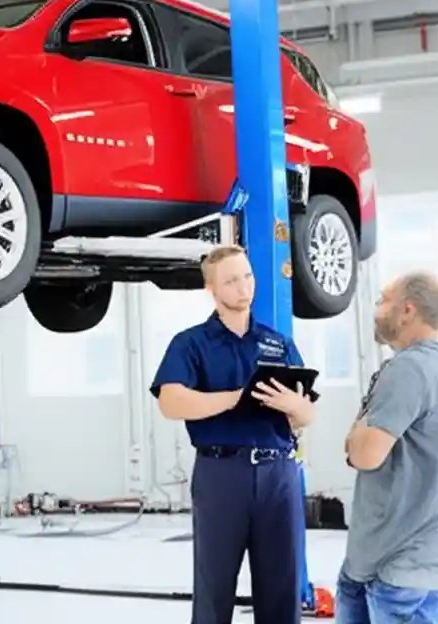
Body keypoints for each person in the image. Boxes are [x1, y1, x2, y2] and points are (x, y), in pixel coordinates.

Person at [151, 244, 318, 624]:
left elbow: (308, 414)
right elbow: (170, 401)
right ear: (211, 288)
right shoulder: (191, 343)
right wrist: (235, 398)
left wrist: (293, 405)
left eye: (248, 277)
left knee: (283, 586)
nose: (244, 288)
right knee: (214, 587)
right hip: (222, 474)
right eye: (231, 281)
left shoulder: (278, 343)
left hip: (279, 474)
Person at [337, 271, 438, 624]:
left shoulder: (407, 369)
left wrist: (358, 427)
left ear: (407, 310)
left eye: (383, 301)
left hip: (396, 570)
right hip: (436, 565)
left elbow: (363, 454)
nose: (377, 310)